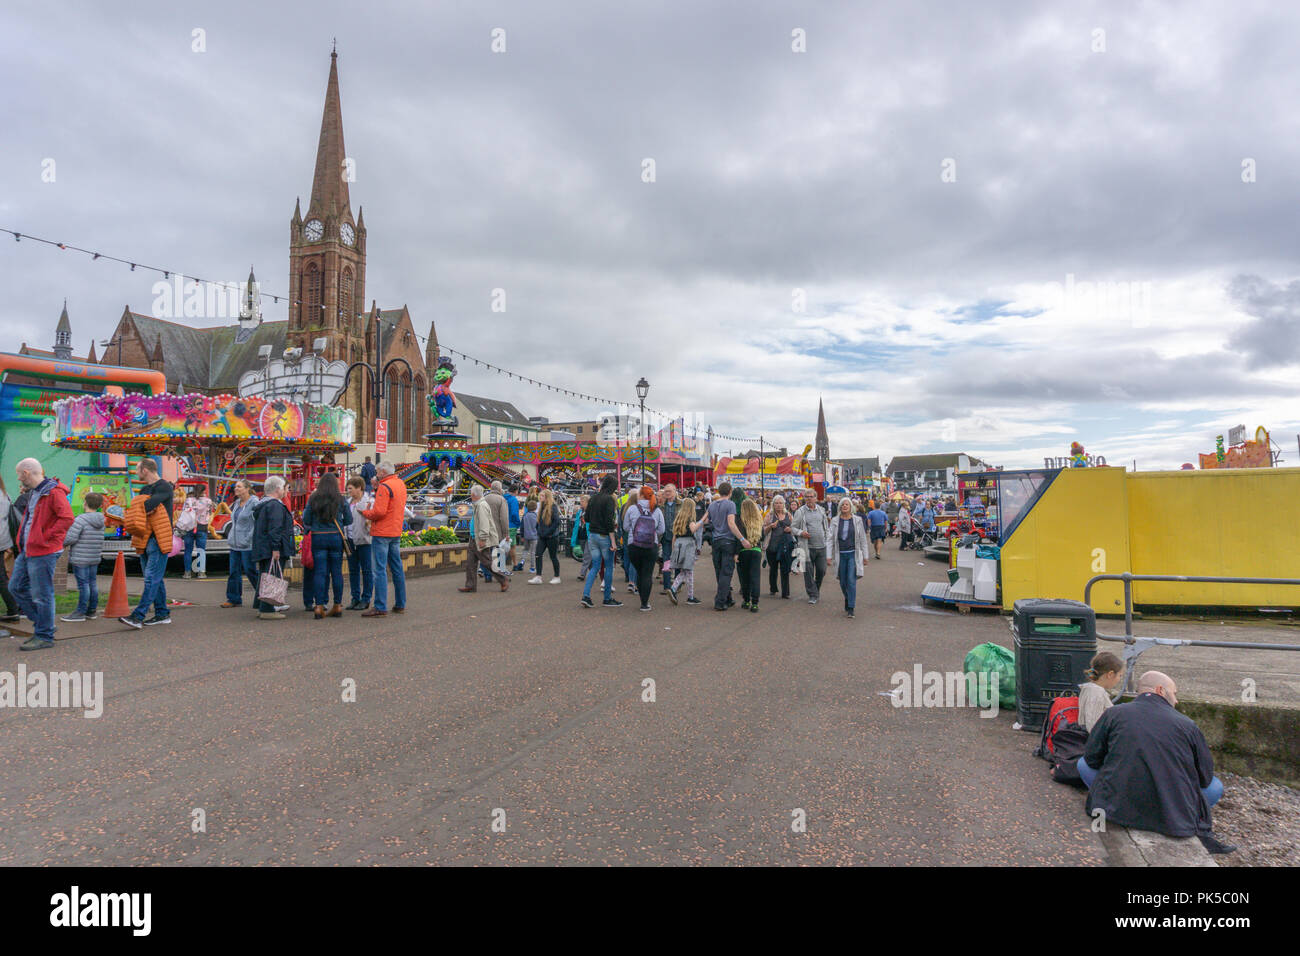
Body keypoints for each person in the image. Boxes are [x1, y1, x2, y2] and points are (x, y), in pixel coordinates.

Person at [1079, 670, 1234, 854]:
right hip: (1172, 814)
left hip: (1117, 808)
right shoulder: (1187, 725)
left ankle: (1117, 801)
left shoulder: (1114, 713)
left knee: (1082, 764)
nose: (1176, 700)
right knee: (1215, 786)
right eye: (1174, 693)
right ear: (1160, 690)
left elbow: (1091, 758)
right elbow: (1205, 778)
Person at [9, 459, 74, 650]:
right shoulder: (37, 492)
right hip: (30, 549)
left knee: (42, 594)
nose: (19, 479)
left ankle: (44, 635)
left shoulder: (53, 492)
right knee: (16, 587)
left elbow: (67, 518)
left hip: (43, 550)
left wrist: (46, 537)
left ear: (27, 473)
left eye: (19, 474)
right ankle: (44, 626)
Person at [120, 458, 174, 630]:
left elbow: (146, 505)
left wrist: (142, 508)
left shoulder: (164, 486)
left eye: (137, 469)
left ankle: (138, 615)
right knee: (154, 578)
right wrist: (143, 508)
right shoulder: (144, 489)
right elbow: (141, 508)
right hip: (144, 537)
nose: (136, 472)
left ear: (145, 470)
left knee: (151, 578)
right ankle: (162, 613)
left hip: (158, 538)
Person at [361, 461, 407, 617]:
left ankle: (380, 606)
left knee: (379, 570)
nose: (375, 474)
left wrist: (366, 513)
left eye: (377, 471)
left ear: (382, 472)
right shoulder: (400, 484)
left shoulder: (384, 487)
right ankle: (400, 603)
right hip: (395, 530)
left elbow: (379, 512)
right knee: (397, 568)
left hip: (382, 532)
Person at [305, 472, 353, 618]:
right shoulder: (340, 499)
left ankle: (319, 607)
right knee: (336, 572)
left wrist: (316, 524)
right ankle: (337, 605)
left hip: (318, 537)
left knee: (320, 572)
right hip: (335, 537)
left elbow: (306, 519)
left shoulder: (313, 498)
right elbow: (349, 520)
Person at [250, 475, 296, 621]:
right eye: (284, 488)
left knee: (265, 575)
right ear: (278, 489)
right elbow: (275, 528)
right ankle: (267, 609)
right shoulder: (275, 505)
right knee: (272, 576)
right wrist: (276, 548)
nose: (285, 491)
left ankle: (261, 605)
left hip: (263, 546)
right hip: (273, 547)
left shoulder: (263, 504)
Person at [705, 481, 750, 611]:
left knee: (719, 571)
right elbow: (731, 523)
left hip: (716, 542)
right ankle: (720, 602)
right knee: (726, 572)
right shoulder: (730, 504)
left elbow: (707, 521)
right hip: (728, 541)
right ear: (730, 492)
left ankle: (728, 598)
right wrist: (742, 539)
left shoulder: (712, 505)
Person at [60, 491, 105, 622]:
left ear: (85, 502)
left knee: (83, 585)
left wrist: (61, 541)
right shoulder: (101, 520)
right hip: (94, 556)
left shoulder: (80, 519)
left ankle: (80, 612)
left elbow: (70, 538)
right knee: (92, 583)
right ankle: (91, 611)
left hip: (80, 558)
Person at [459, 485, 510, 593]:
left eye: (471, 494)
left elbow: (484, 524)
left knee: (487, 562)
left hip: (479, 539)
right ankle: (470, 585)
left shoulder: (481, 506)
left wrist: (482, 538)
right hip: (474, 538)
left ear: (473, 494)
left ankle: (503, 579)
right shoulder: (479, 504)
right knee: (470, 564)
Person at [581, 475, 622, 609]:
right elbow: (609, 522)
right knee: (609, 566)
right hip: (604, 536)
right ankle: (607, 598)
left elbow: (586, 518)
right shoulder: (609, 500)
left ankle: (586, 595)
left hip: (592, 535)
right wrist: (613, 542)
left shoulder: (593, 498)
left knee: (595, 567)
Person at [623, 486, 665, 611]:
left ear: (640, 495)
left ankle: (642, 597)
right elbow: (661, 530)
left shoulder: (632, 508)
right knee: (647, 573)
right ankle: (644, 603)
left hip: (634, 545)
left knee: (640, 572)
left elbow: (625, 527)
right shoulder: (656, 511)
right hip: (651, 546)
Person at [220, 480, 261, 609]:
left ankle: (264, 595)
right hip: (235, 544)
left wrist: (248, 538)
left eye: (239, 486)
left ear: (247, 488)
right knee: (233, 571)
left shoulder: (254, 502)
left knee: (250, 571)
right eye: (235, 486)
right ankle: (233, 598)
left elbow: (257, 524)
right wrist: (232, 537)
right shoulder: (237, 503)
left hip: (247, 544)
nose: (236, 488)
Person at [827, 496, 869, 619]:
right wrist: (828, 556)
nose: (845, 506)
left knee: (851, 580)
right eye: (843, 505)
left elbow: (862, 539)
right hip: (840, 554)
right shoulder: (835, 521)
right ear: (840, 507)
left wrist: (865, 556)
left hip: (853, 554)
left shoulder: (857, 520)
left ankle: (851, 607)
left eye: (847, 505)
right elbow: (830, 539)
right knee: (842, 581)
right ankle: (847, 597)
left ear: (851, 507)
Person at [793, 490, 829, 605]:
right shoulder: (800, 512)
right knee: (808, 573)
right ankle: (813, 595)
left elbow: (826, 527)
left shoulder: (821, 510)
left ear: (816, 498)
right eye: (807, 497)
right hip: (806, 547)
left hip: (821, 546)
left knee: (821, 570)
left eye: (811, 497)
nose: (809, 499)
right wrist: (801, 533)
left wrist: (827, 537)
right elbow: (793, 528)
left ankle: (815, 590)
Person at [667, 496, 704, 605]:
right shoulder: (690, 519)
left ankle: (688, 595)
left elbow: (674, 536)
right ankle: (678, 591)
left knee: (686, 571)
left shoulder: (678, 518)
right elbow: (693, 529)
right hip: (688, 545)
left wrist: (673, 550)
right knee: (688, 570)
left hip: (678, 544)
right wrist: (702, 520)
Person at [344, 476, 374, 610]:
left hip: (364, 540)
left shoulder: (368, 502)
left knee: (366, 570)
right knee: (353, 570)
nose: (348, 491)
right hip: (350, 540)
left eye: (350, 488)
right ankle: (355, 598)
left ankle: (366, 598)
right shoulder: (348, 502)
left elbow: (372, 520)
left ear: (359, 488)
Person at [1079, 651, 1124, 731]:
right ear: (1110, 674)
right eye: (1120, 675)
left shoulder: (1089, 688)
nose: (1120, 679)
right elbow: (1092, 726)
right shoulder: (1096, 693)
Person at [762, 494, 794, 599]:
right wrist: (771, 526)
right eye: (776, 503)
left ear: (784, 504)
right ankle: (773, 588)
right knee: (773, 569)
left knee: (785, 569)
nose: (779, 505)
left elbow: (795, 528)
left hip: (785, 547)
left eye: (781, 503)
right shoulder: (769, 515)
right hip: (772, 547)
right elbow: (763, 531)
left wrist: (790, 529)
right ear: (773, 504)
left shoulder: (788, 515)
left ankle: (785, 593)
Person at [529, 489, 563, 585]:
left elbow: (557, 522)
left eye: (542, 496)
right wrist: (538, 530)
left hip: (552, 536)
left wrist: (548, 532)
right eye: (540, 496)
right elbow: (538, 521)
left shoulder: (553, 507)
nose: (540, 498)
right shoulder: (541, 507)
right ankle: (538, 576)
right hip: (542, 536)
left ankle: (557, 576)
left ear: (547, 497)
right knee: (538, 554)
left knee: (553, 557)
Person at [736, 496, 764, 613]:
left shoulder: (739, 520)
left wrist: (735, 553)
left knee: (744, 578)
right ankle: (755, 603)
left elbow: (737, 538)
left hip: (743, 551)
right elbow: (762, 536)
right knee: (755, 577)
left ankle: (746, 600)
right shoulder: (759, 520)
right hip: (756, 550)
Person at [0, 475, 18, 627]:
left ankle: (13, 609)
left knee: (1, 578)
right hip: (4, 540)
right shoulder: (5, 494)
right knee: (1, 577)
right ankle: (13, 609)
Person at [485, 481, 511, 577]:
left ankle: (488, 575)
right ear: (500, 489)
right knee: (500, 551)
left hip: (486, 530)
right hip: (498, 531)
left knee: (487, 553)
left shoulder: (484, 498)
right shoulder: (501, 499)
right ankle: (500, 571)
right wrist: (506, 533)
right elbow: (504, 518)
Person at [658, 484, 679, 594]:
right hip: (665, 538)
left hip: (678, 537)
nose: (667, 493)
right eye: (666, 491)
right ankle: (667, 587)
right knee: (666, 562)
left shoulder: (681, 504)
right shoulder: (661, 506)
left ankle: (676, 586)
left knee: (678, 562)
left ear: (675, 491)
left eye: (669, 491)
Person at [571, 494, 591, 582]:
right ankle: (594, 570)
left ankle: (582, 574)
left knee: (586, 555)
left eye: (583, 501)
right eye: (581, 501)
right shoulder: (579, 512)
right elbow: (576, 525)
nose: (581, 503)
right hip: (581, 535)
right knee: (586, 554)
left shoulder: (591, 512)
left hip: (589, 535)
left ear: (587, 502)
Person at [503, 481, 522, 571]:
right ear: (516, 491)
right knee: (512, 546)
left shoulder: (503, 498)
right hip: (512, 525)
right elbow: (515, 513)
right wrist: (518, 523)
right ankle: (515, 564)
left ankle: (503, 564)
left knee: (502, 545)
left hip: (503, 524)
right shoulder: (514, 500)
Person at [520, 498, 539, 575]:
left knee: (525, 549)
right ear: (535, 508)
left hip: (526, 536)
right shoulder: (536, 516)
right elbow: (538, 527)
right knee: (533, 552)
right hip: (534, 536)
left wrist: (522, 536)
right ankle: (532, 568)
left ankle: (522, 561)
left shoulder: (525, 516)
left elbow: (522, 527)